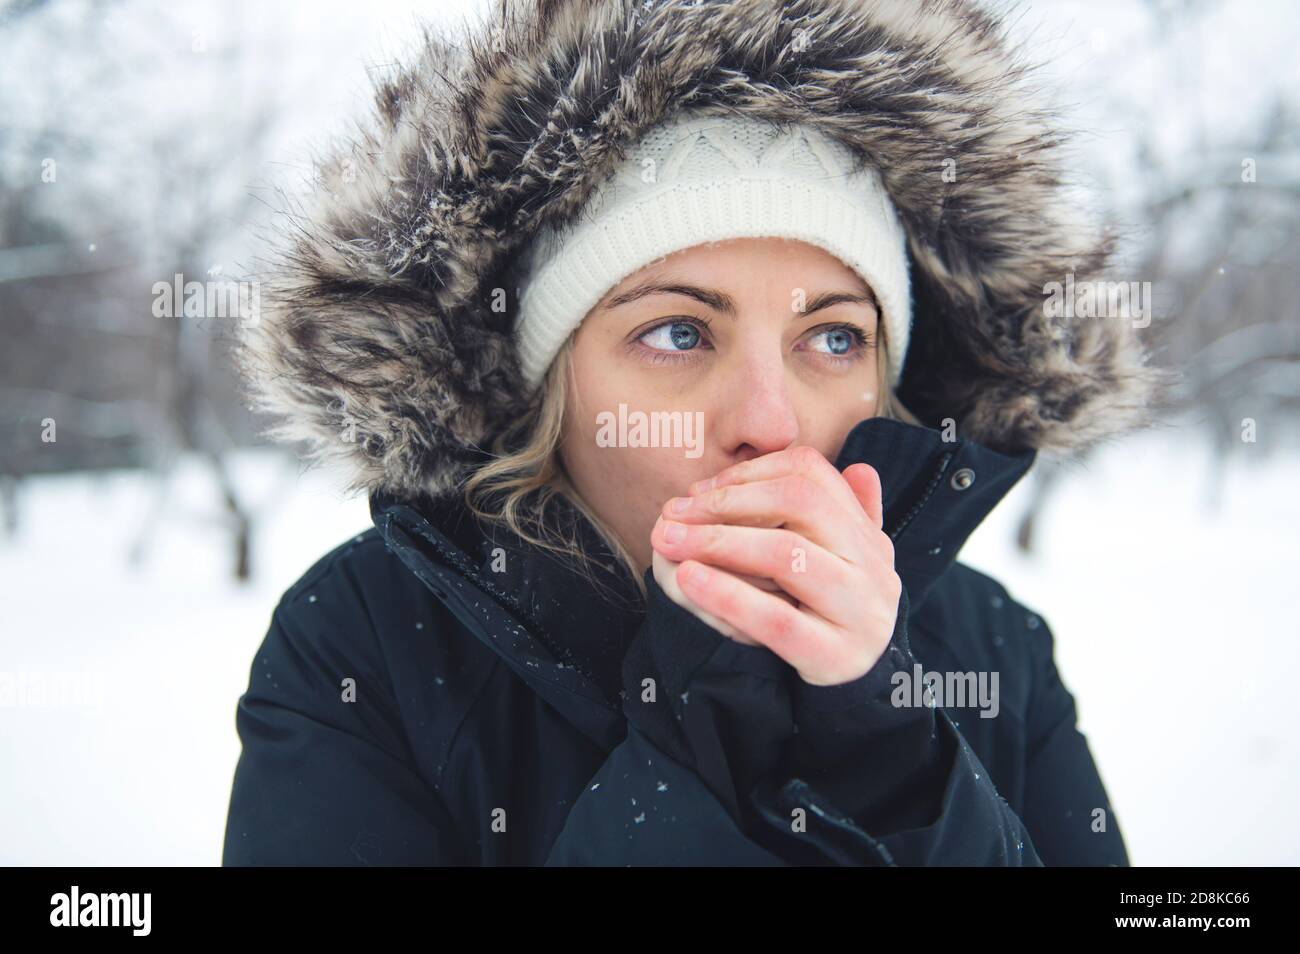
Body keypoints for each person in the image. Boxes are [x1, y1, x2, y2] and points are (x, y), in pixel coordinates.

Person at [223, 0, 1166, 866]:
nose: (769, 423)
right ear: (553, 386)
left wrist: (889, 755)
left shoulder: (991, 649)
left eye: (833, 338)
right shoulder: (366, 646)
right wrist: (701, 734)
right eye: (679, 333)